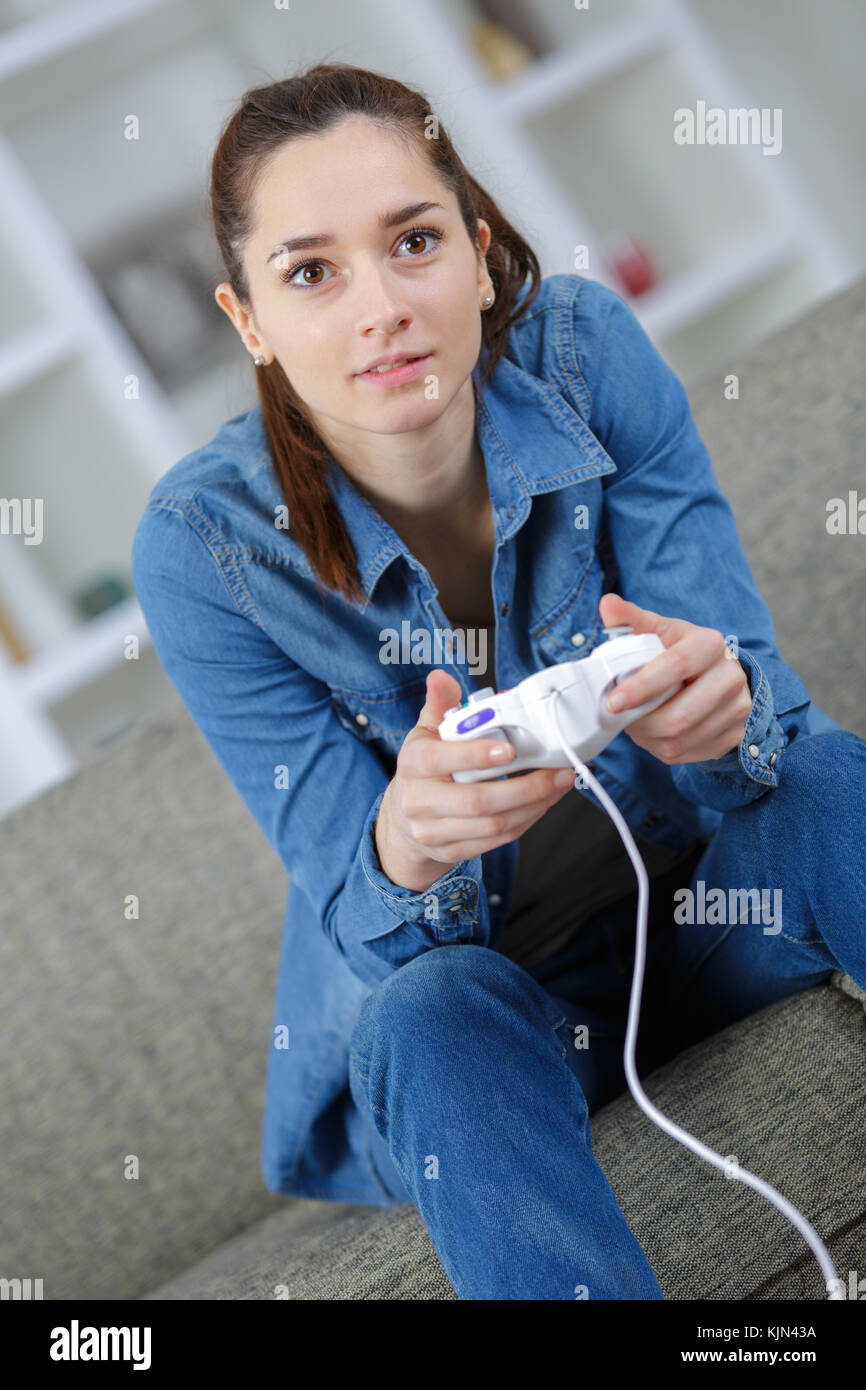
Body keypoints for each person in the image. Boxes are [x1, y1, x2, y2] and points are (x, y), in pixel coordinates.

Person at [131, 62, 866, 1300]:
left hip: (699, 923)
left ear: (477, 257)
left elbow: (769, 725)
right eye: (311, 273)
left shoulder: (583, 351)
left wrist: (725, 708)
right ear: (248, 320)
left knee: (832, 778)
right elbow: (360, 919)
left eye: (412, 241)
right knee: (429, 1013)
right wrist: (411, 841)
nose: (381, 307)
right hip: (491, 1016)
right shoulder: (203, 547)